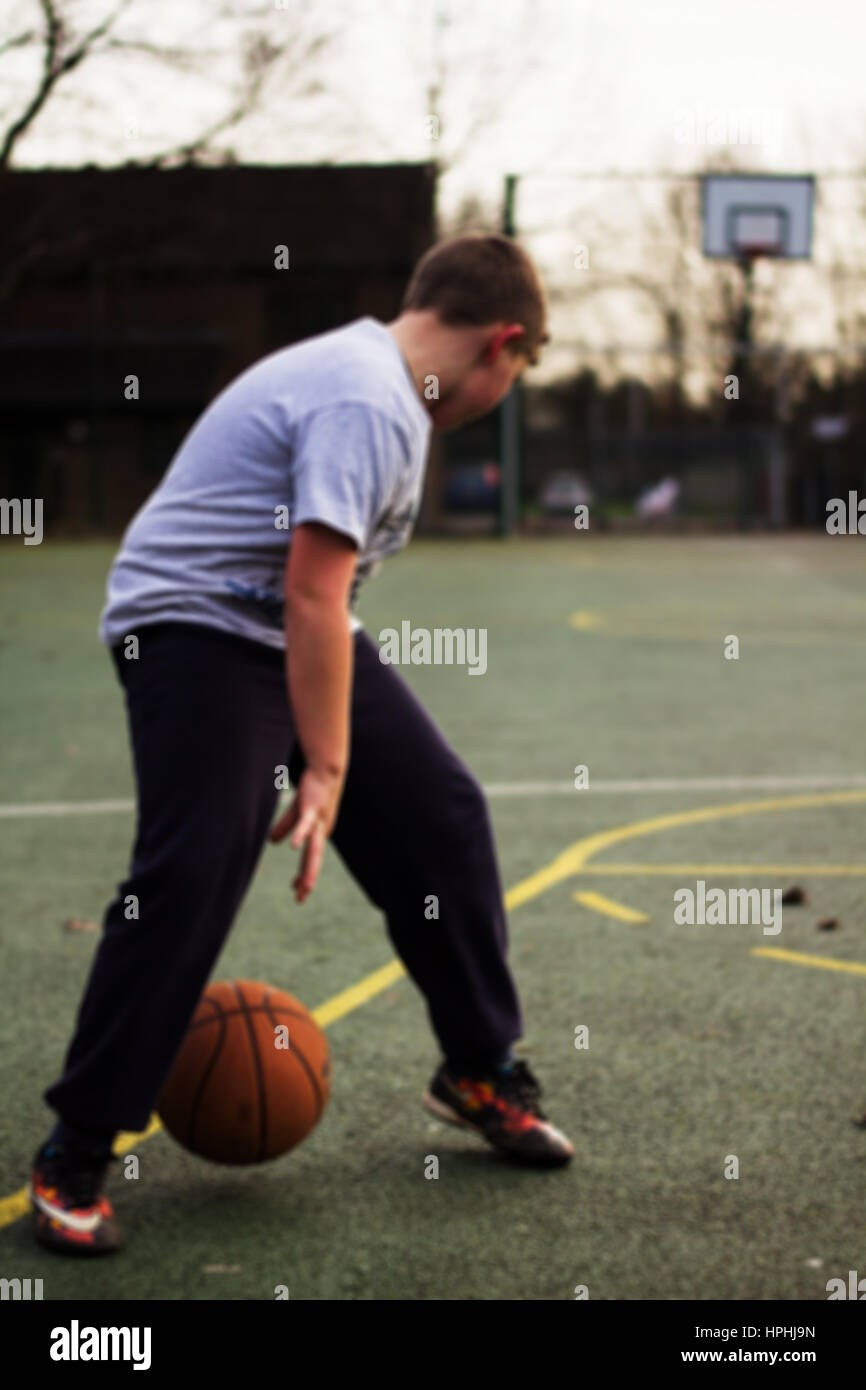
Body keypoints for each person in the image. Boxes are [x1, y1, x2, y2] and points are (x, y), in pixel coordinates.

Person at [30, 233, 574, 1256]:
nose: (508, 386)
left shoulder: (381, 384)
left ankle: (476, 1069)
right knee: (197, 860)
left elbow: (317, 605)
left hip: (278, 627)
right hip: (192, 623)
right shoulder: (367, 397)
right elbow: (314, 591)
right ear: (503, 343)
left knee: (440, 817)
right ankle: (79, 1144)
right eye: (522, 368)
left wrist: (338, 750)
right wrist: (323, 765)